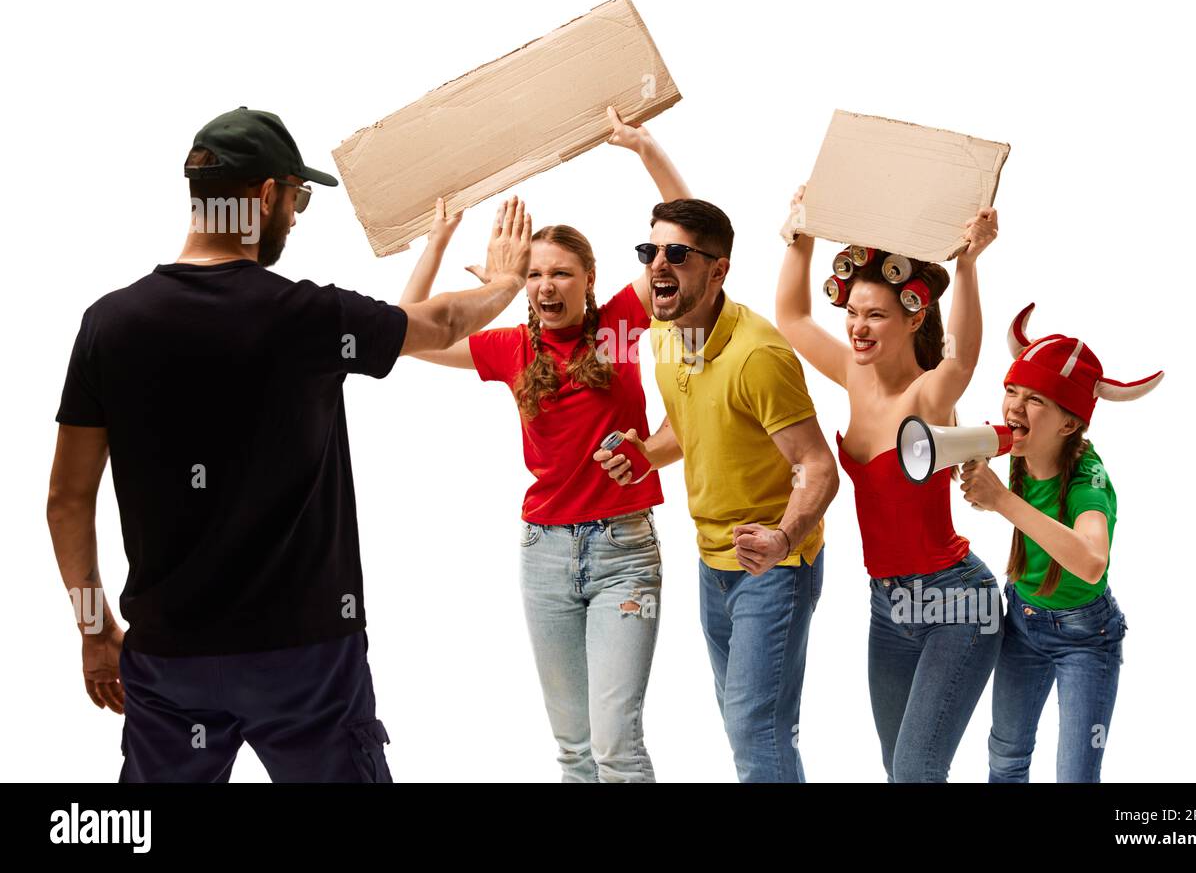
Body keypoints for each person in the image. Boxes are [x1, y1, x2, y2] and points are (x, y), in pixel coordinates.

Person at [47, 106, 531, 782]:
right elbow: (442, 319)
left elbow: (67, 501)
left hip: (168, 660)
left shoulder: (108, 325)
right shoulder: (308, 318)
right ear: (265, 195)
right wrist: (509, 281)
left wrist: (95, 632)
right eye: (297, 198)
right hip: (306, 659)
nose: (297, 216)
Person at [399, 108, 687, 782]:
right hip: (544, 556)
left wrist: (643, 145)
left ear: (590, 279)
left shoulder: (620, 324)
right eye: (532, 275)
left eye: (561, 273)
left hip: (623, 552)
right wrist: (438, 242)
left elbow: (684, 233)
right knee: (575, 750)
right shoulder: (511, 348)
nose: (546, 285)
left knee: (617, 744)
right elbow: (404, 332)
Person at [597, 197, 839, 783]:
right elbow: (685, 424)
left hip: (775, 566)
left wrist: (782, 538)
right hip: (711, 560)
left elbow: (818, 468)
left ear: (718, 269)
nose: (659, 265)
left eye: (677, 254)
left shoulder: (759, 356)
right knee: (746, 727)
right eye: (650, 251)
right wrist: (646, 454)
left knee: (758, 732)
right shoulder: (664, 332)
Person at [774, 185, 1001, 782]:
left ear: (913, 317)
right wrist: (803, 231)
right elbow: (794, 318)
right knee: (896, 769)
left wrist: (969, 265)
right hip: (889, 603)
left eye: (875, 314)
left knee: (916, 771)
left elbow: (965, 360)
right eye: (852, 313)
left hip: (957, 601)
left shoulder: (926, 395)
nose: (858, 327)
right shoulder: (853, 374)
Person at [958, 303, 1162, 782]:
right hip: (1022, 620)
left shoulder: (1089, 480)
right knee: (1006, 758)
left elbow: (1091, 562)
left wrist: (1003, 502)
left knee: (1075, 774)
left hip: (1085, 638)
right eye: (1012, 390)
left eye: (1035, 400)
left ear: (1069, 424)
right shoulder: (1017, 449)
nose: (1013, 407)